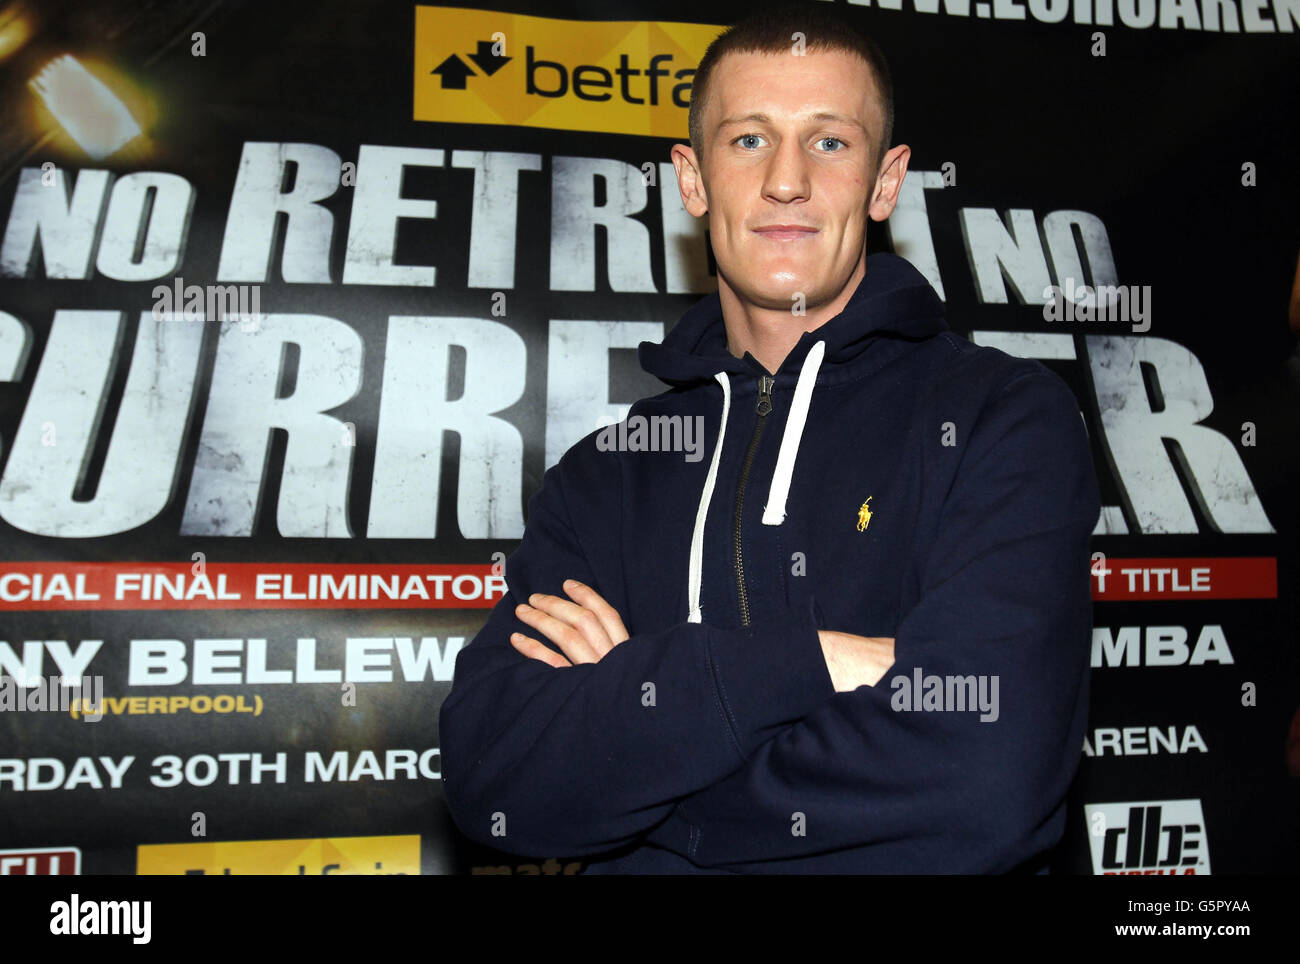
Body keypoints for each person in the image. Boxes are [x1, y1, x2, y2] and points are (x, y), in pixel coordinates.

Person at [438, 2, 1100, 873]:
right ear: (692, 178)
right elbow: (498, 777)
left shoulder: (1001, 418)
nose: (786, 180)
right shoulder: (606, 479)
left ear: (886, 181)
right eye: (748, 139)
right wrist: (815, 664)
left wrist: (645, 760)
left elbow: (985, 783)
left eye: (830, 142)